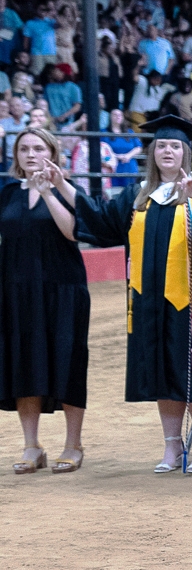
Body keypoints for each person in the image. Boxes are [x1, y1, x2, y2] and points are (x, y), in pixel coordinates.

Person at [65, 114, 192, 473]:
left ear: (188, 153)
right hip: (148, 301)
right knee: (161, 370)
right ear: (152, 151)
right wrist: (61, 185)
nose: (167, 151)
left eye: (175, 145)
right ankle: (171, 447)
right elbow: (100, 219)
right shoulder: (138, 195)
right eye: (162, 145)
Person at [3, 127, 90, 474]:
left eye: (38, 148)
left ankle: (73, 444)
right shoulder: (7, 192)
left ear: (52, 153)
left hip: (64, 290)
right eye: (23, 148)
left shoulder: (68, 190)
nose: (30, 154)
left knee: (68, 361)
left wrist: (49, 191)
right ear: (16, 156)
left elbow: (73, 232)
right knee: (25, 362)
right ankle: (31, 446)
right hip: (17, 291)